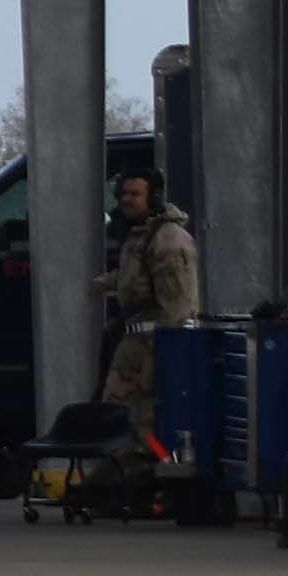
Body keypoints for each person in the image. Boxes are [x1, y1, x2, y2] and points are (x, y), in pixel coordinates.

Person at [99, 157, 203, 439]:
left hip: (153, 345)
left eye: (135, 194)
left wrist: (165, 356)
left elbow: (179, 305)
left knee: (147, 426)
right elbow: (134, 279)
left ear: (153, 197)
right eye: (123, 194)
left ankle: (155, 469)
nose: (126, 200)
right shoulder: (140, 236)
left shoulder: (168, 240)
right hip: (134, 345)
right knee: (119, 420)